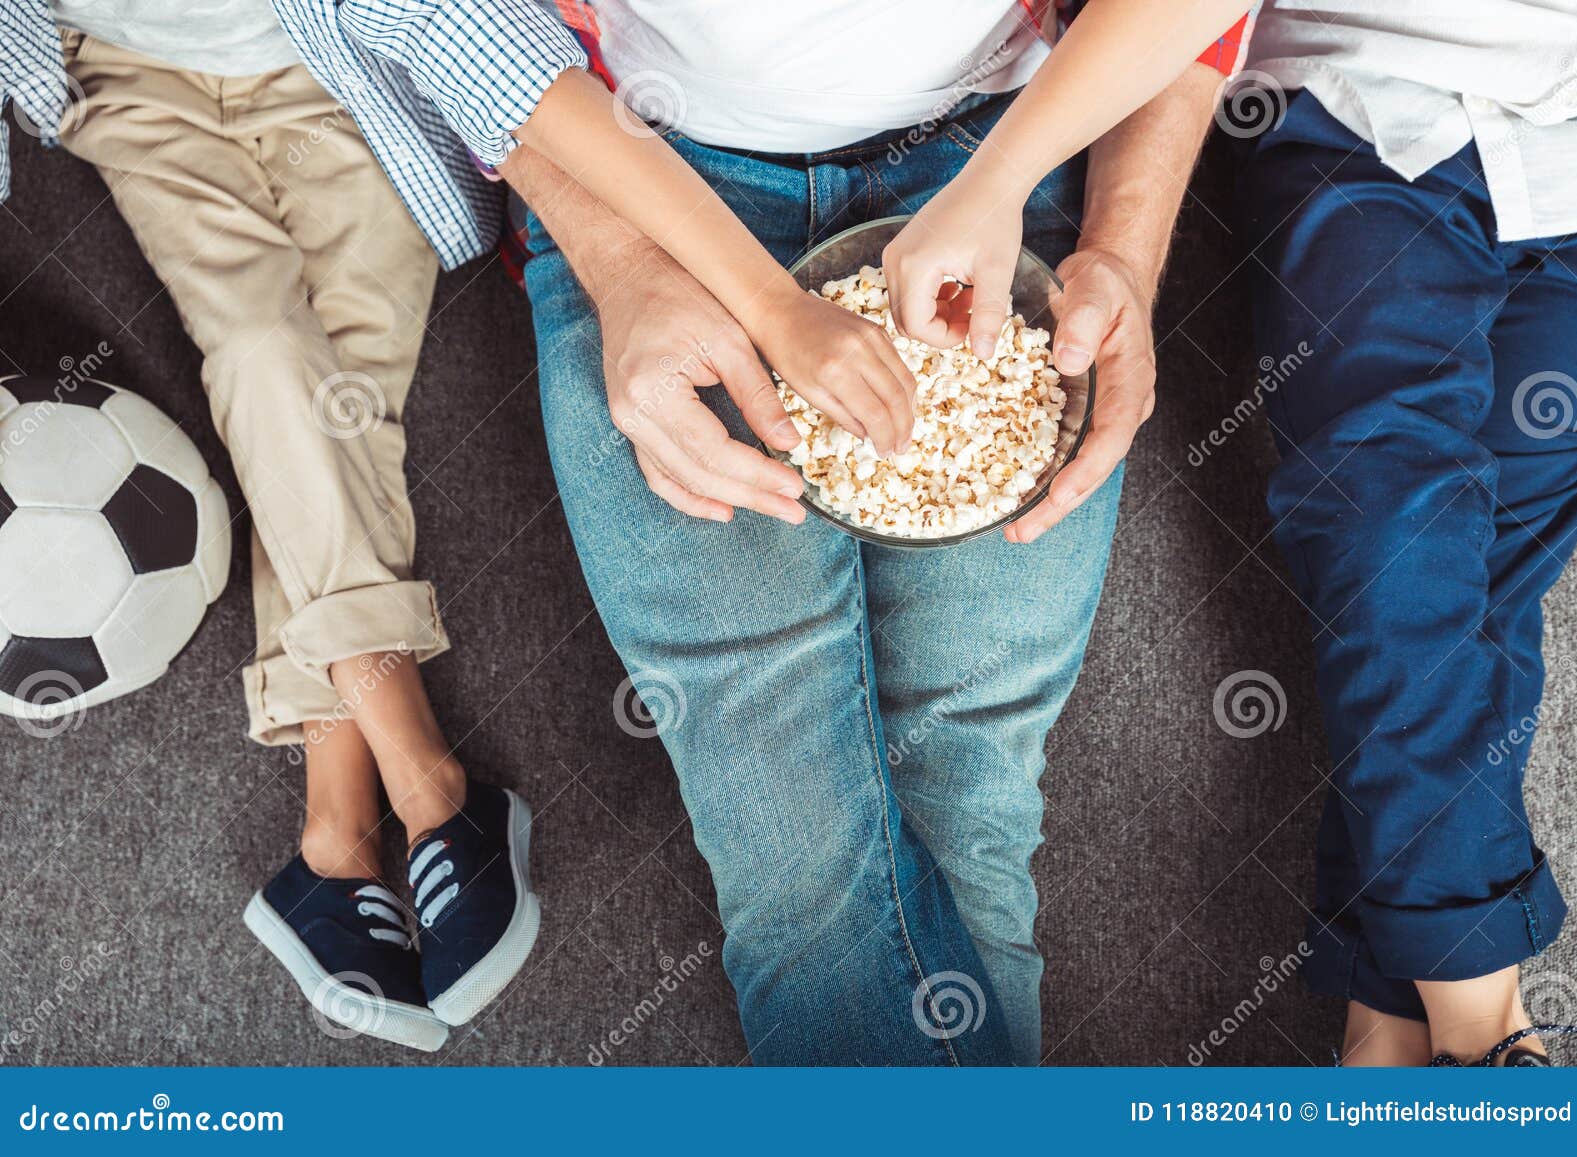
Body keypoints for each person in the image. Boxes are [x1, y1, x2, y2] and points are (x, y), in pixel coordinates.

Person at [260, 0, 1254, 1064]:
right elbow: (444, 22)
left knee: (967, 775)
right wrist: (615, 261)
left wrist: (1117, 246)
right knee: (788, 818)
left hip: (1017, 138)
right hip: (635, 172)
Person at [0, 1, 540, 1050]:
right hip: (130, 72)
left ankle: (340, 833)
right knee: (256, 347)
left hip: (348, 57)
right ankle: (420, 783)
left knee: (342, 393)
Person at [1242, 0, 1577, 1066]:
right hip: (1361, 99)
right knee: (1398, 531)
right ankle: (1488, 1035)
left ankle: (1384, 1036)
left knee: (1476, 575)